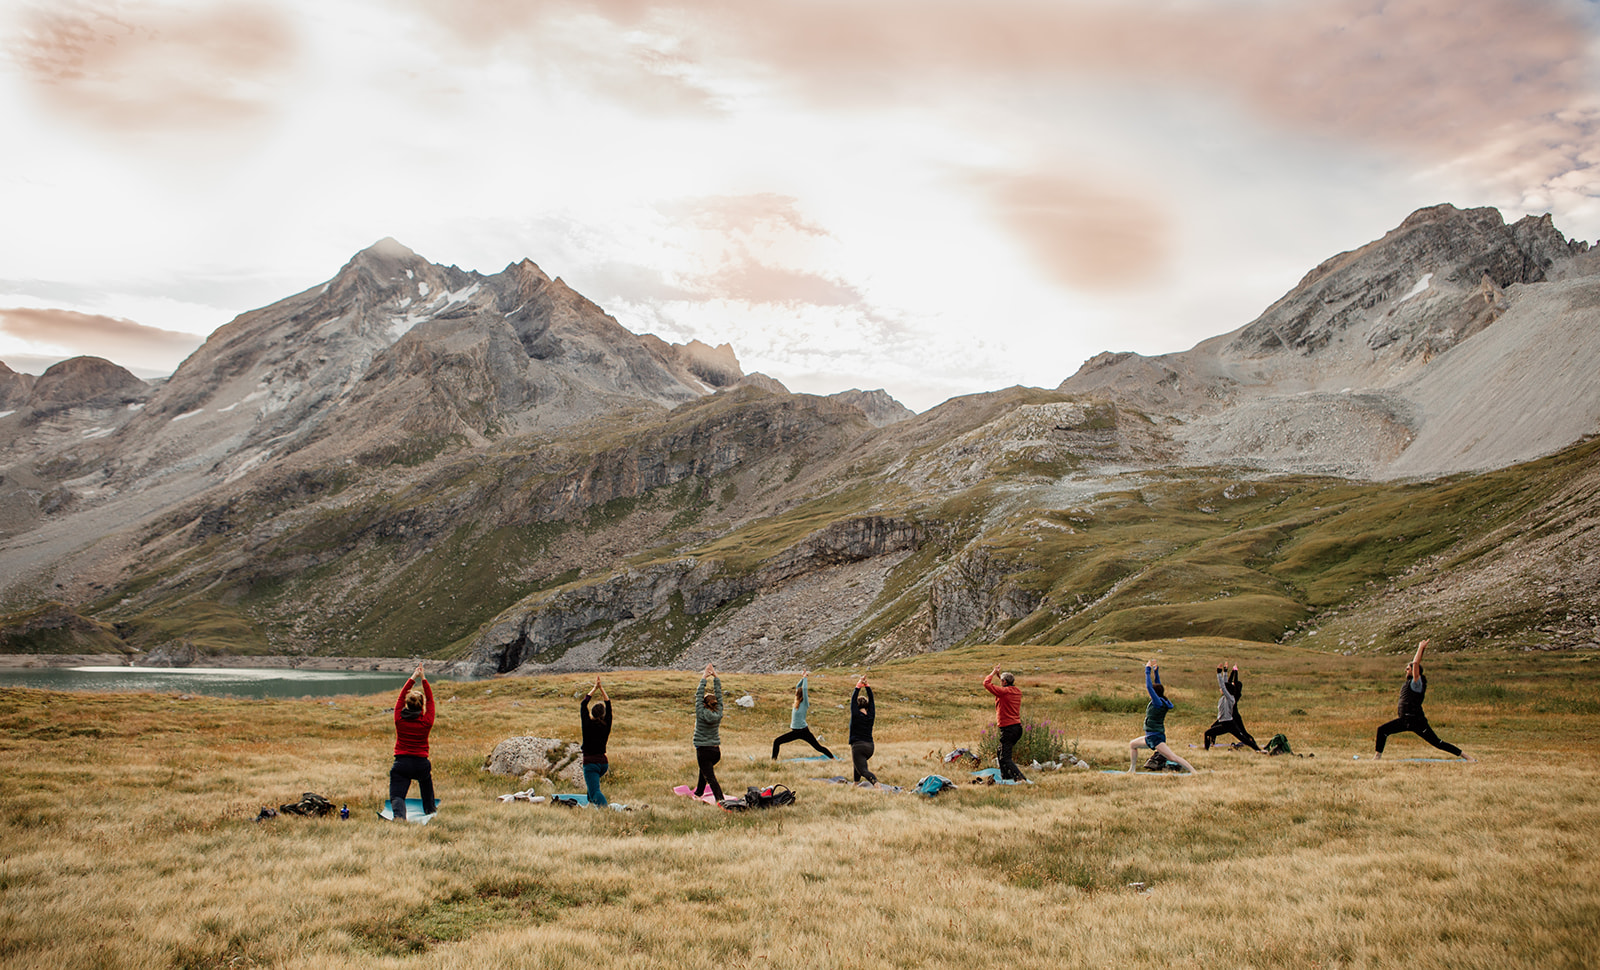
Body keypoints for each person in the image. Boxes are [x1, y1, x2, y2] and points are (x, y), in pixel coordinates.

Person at [1374, 639, 1473, 760]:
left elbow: (1415, 663)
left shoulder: (1417, 683)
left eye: (1408, 668)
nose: (1405, 670)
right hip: (1404, 720)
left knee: (1437, 743)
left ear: (1415, 672)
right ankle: (1377, 757)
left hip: (1417, 721)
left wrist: (1420, 648)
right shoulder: (1409, 683)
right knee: (1382, 730)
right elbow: (1414, 665)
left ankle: (1468, 757)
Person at [1129, 661, 1195, 773]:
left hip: (1155, 737)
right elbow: (1158, 686)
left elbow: (1149, 687)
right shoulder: (1161, 700)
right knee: (1132, 744)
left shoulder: (1157, 703)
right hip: (1150, 736)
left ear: (1154, 693)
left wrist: (1147, 670)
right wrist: (1156, 672)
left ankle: (1194, 772)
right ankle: (1132, 770)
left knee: (1172, 757)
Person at [390, 662, 437, 820]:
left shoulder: (399, 719)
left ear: (406, 704)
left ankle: (399, 817)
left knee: (397, 795)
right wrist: (423, 678)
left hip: (401, 763)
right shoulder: (426, 722)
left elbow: (400, 697)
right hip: (421, 763)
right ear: (421, 706)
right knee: (426, 785)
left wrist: (413, 677)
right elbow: (430, 701)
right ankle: (430, 811)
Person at [771, 670, 834, 760]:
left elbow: (804, 689)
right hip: (795, 732)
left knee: (818, 747)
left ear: (799, 695)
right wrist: (802, 678)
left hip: (803, 732)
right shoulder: (796, 702)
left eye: (797, 692)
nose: (795, 693)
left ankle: (833, 758)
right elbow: (798, 686)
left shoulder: (804, 703)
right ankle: (773, 761)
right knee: (777, 742)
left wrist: (805, 678)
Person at [983, 664, 1027, 782]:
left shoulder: (1003, 692)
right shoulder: (1017, 691)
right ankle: (1006, 778)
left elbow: (986, 683)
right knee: (1000, 752)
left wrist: (993, 673)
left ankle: (1020, 779)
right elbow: (1007, 686)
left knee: (1005, 757)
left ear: (1004, 682)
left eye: (1002, 681)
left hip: (1008, 728)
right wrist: (1000, 677)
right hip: (1017, 728)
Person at [1203, 663, 1261, 751]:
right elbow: (1226, 684)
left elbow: (1223, 685)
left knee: (1243, 737)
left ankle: (1257, 749)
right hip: (1225, 723)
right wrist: (1225, 671)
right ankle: (1206, 749)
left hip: (1229, 723)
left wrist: (1219, 673)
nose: (1221, 689)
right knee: (1208, 733)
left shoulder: (1230, 698)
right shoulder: (1226, 697)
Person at [692, 663, 726, 803]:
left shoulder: (701, 713)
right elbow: (719, 695)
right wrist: (716, 677)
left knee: (710, 778)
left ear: (704, 704)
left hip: (703, 750)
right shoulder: (719, 712)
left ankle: (721, 800)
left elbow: (698, 694)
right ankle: (698, 793)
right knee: (705, 771)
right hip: (716, 751)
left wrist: (704, 677)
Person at [580, 675, 612, 806]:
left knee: (595, 792)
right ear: (603, 714)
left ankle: (605, 811)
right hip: (603, 763)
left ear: (592, 713)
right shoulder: (606, 724)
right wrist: (601, 688)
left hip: (591, 763)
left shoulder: (587, 724)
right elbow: (608, 704)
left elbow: (583, 704)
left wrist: (594, 688)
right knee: (591, 787)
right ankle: (591, 807)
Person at [848, 676, 877, 786]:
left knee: (863, 770)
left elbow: (853, 700)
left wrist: (858, 686)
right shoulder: (870, 715)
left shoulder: (856, 715)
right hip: (870, 747)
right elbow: (872, 701)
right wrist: (867, 686)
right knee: (857, 764)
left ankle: (877, 785)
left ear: (857, 705)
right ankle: (855, 783)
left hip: (858, 746)